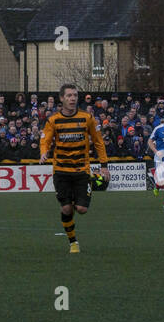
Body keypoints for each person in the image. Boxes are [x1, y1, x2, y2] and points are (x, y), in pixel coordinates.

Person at [38, 84, 110, 254]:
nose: (72, 98)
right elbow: (45, 140)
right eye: (69, 95)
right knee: (66, 208)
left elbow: (99, 142)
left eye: (75, 95)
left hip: (81, 171)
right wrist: (43, 153)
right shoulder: (53, 120)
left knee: (82, 209)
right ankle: (73, 242)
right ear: (62, 98)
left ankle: (89, 183)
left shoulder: (87, 118)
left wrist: (104, 166)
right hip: (61, 171)